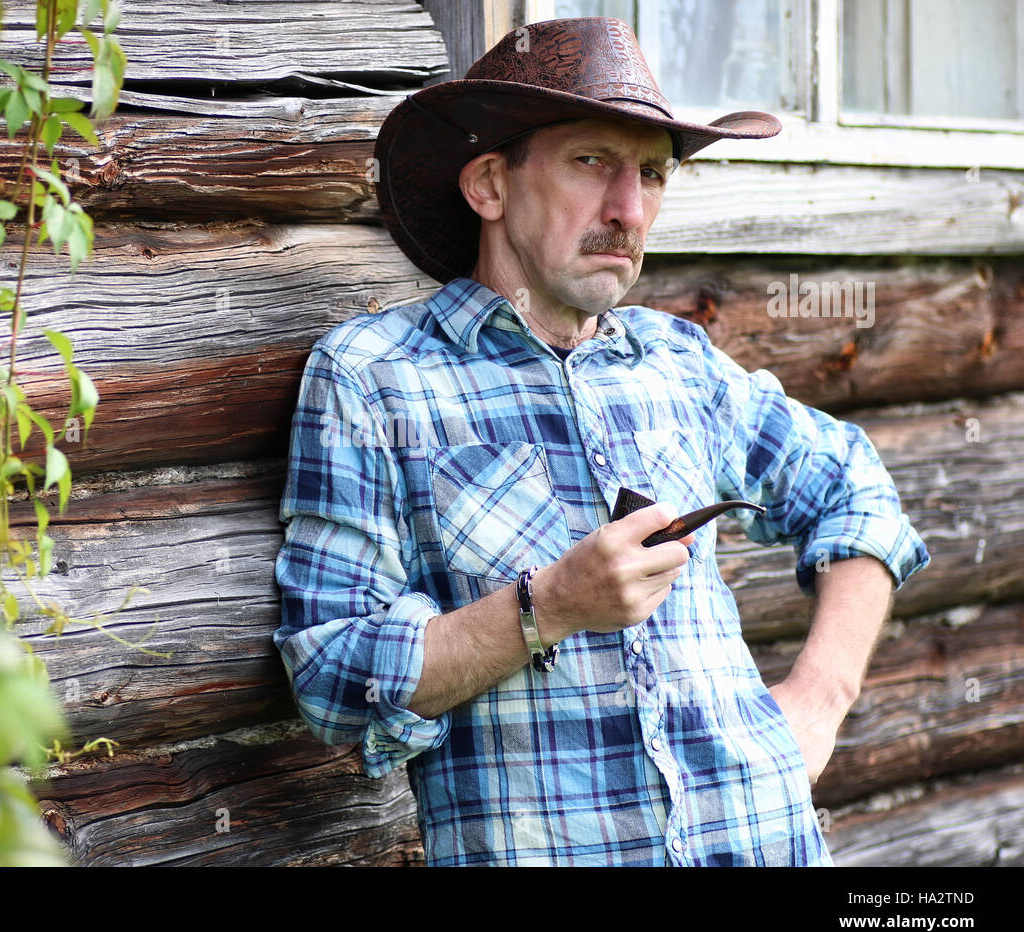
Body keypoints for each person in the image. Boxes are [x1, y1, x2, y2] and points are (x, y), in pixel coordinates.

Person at [272, 17, 929, 866]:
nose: (628, 209)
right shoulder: (373, 377)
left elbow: (854, 485)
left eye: (651, 174)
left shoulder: (677, 361)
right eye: (592, 162)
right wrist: (545, 609)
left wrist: (819, 696)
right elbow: (333, 675)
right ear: (488, 186)